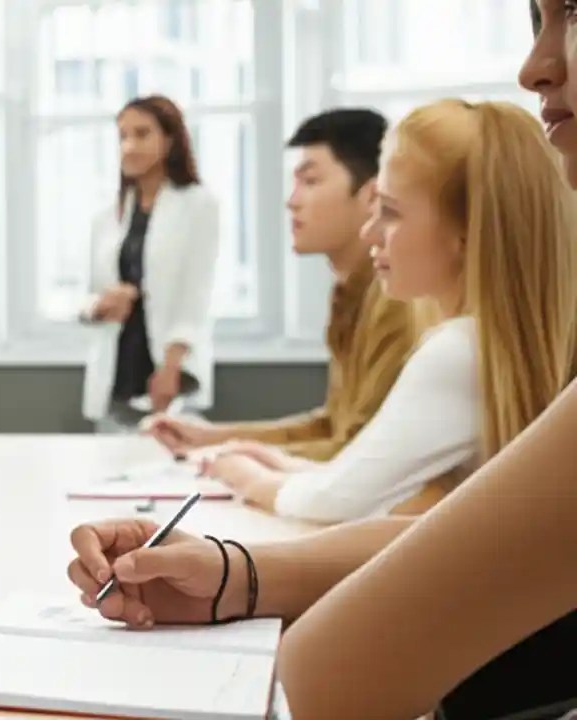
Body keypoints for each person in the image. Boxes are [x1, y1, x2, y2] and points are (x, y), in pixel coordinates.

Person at [66, 5, 577, 712]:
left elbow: (327, 671)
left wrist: (245, 494)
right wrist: (233, 571)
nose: (534, 67)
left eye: (572, 11)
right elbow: (438, 523)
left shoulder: (444, 341)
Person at [194, 98, 577, 524]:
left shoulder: (457, 351)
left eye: (390, 213)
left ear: (467, 233)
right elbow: (370, 477)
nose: (369, 231)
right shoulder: (487, 341)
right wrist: (285, 465)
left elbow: (336, 501)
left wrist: (245, 476)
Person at [144, 109, 417, 460]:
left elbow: (357, 451)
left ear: (370, 197)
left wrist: (228, 457)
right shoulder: (351, 292)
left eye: (311, 181)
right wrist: (211, 439)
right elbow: (332, 424)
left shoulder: (397, 300)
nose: (292, 200)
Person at [80, 95, 220, 432]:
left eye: (142, 134)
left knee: (168, 472)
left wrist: (171, 367)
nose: (129, 146)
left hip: (166, 370)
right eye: (123, 136)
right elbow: (88, 296)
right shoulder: (107, 216)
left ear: (170, 140)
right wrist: (101, 306)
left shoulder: (198, 205)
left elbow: (196, 295)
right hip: (115, 373)